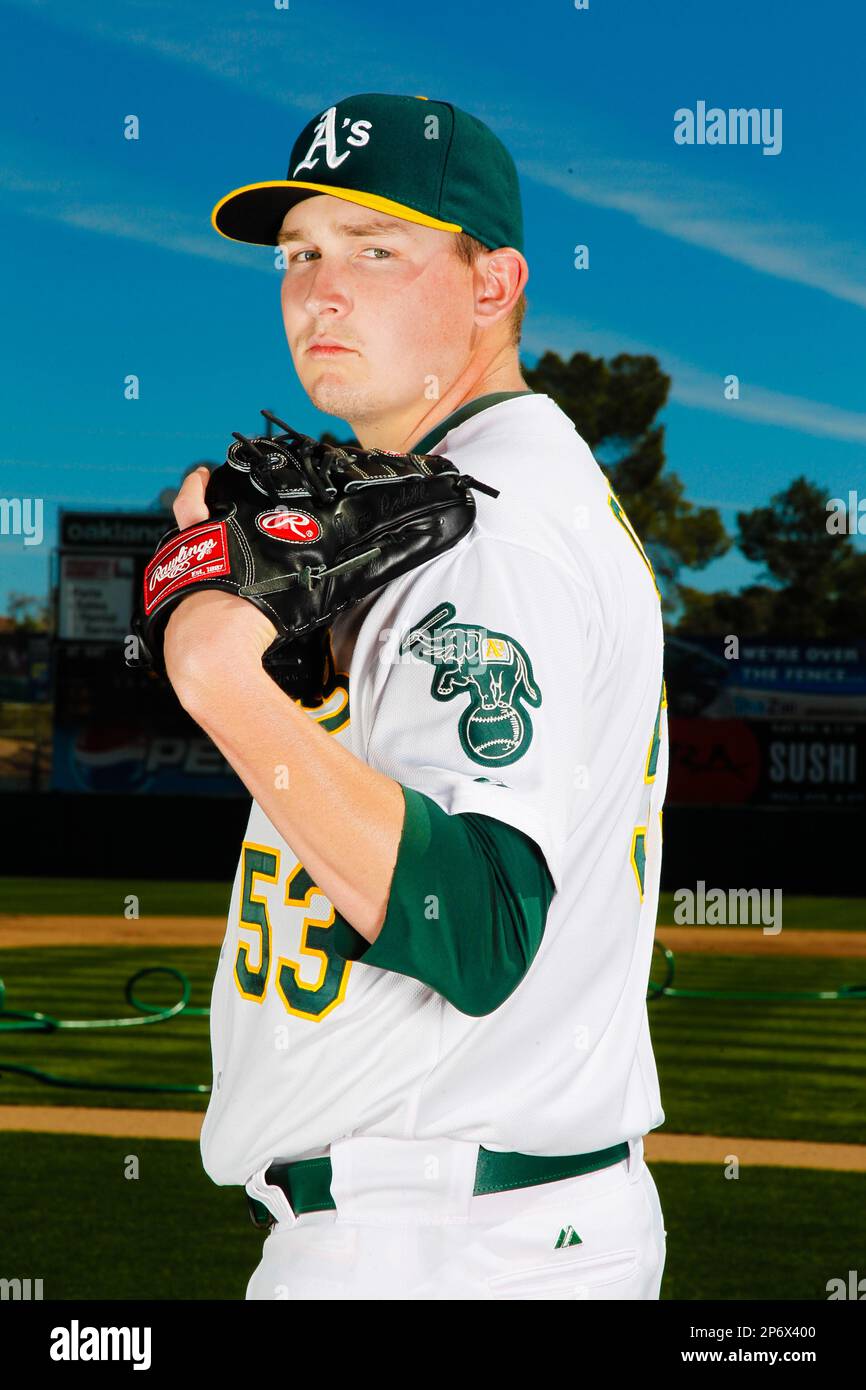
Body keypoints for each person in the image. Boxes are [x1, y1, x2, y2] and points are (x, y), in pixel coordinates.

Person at [162, 92, 668, 1300]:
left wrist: (218, 671)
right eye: (300, 254)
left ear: (493, 285)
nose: (318, 291)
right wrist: (311, 661)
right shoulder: (436, 504)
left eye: (375, 251)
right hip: (460, 1222)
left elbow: (481, 921)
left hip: (442, 1236)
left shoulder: (489, 527)